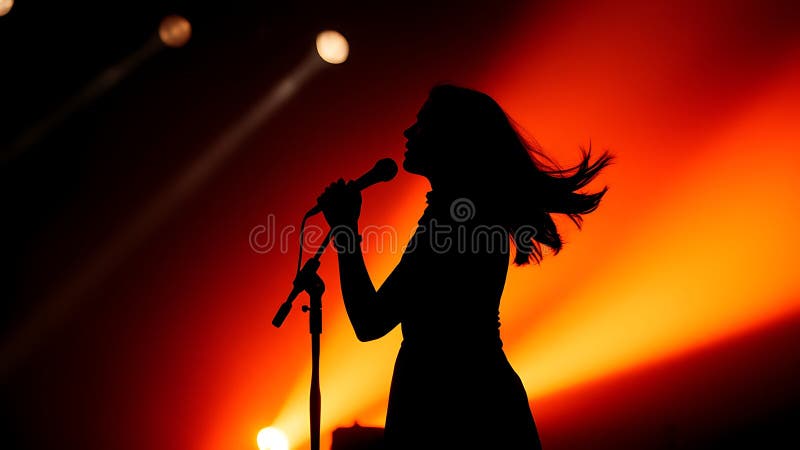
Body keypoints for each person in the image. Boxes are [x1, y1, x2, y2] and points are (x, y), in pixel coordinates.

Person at [317, 83, 613, 449]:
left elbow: (370, 321)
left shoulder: (454, 224)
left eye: (422, 123)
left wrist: (345, 230)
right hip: (474, 395)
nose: (408, 132)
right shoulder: (461, 216)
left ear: (451, 138)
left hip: (449, 401)